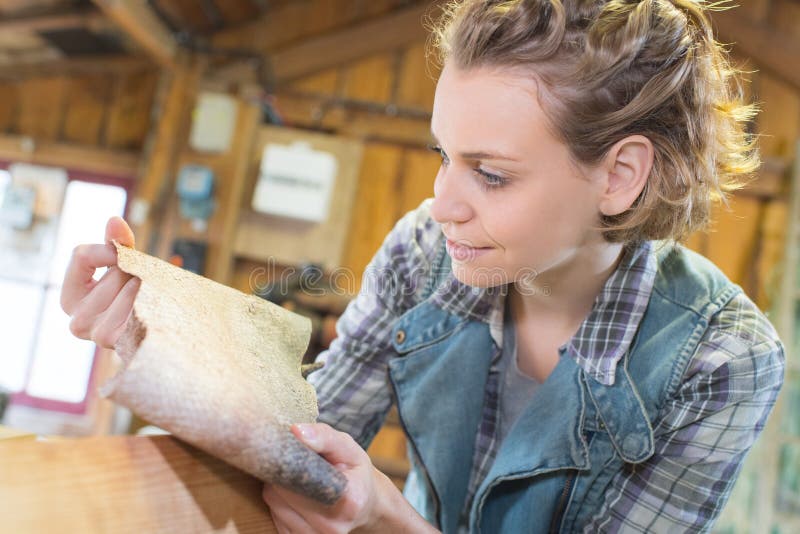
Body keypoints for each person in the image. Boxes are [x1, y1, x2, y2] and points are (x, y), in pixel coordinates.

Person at [62, 0, 785, 532]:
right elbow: (304, 436)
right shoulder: (423, 252)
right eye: (444, 156)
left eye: (491, 174)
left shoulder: (722, 361)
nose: (442, 205)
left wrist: (384, 514)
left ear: (621, 175)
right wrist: (160, 335)